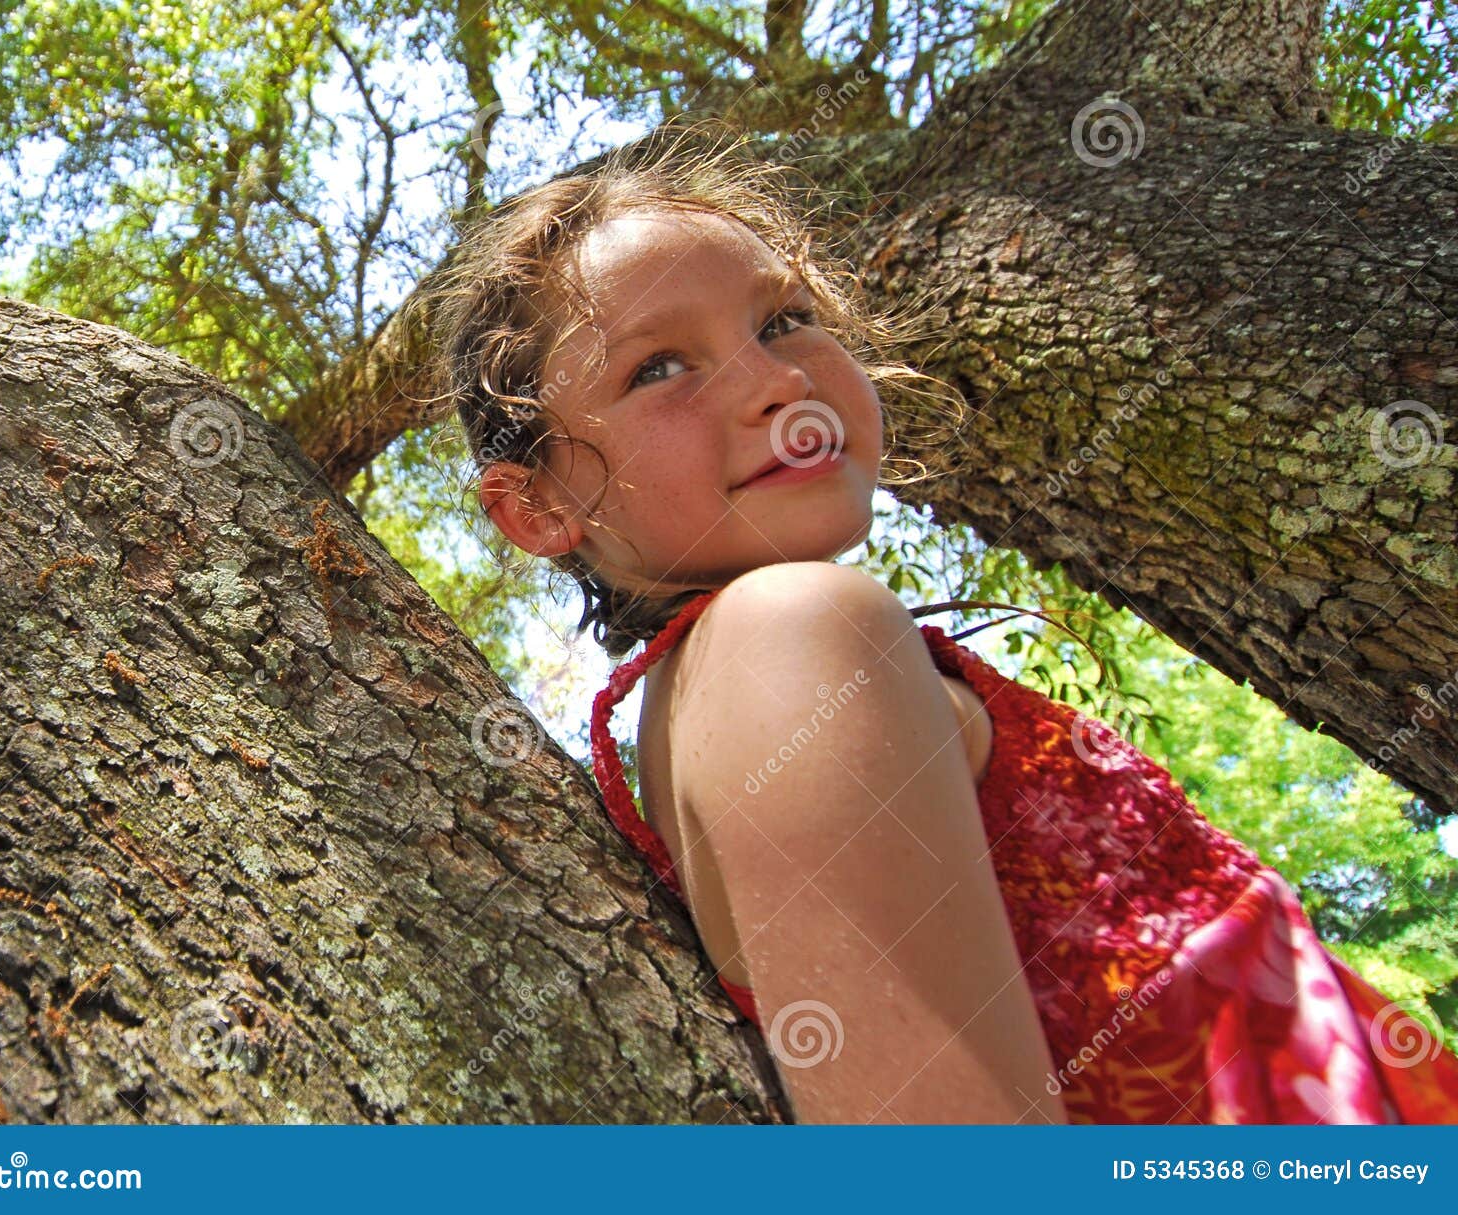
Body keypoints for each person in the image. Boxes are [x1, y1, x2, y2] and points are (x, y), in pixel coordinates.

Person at [426, 120, 1458, 1124]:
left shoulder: (717, 684)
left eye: (782, 320)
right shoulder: (789, 632)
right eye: (658, 367)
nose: (777, 380)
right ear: (540, 508)